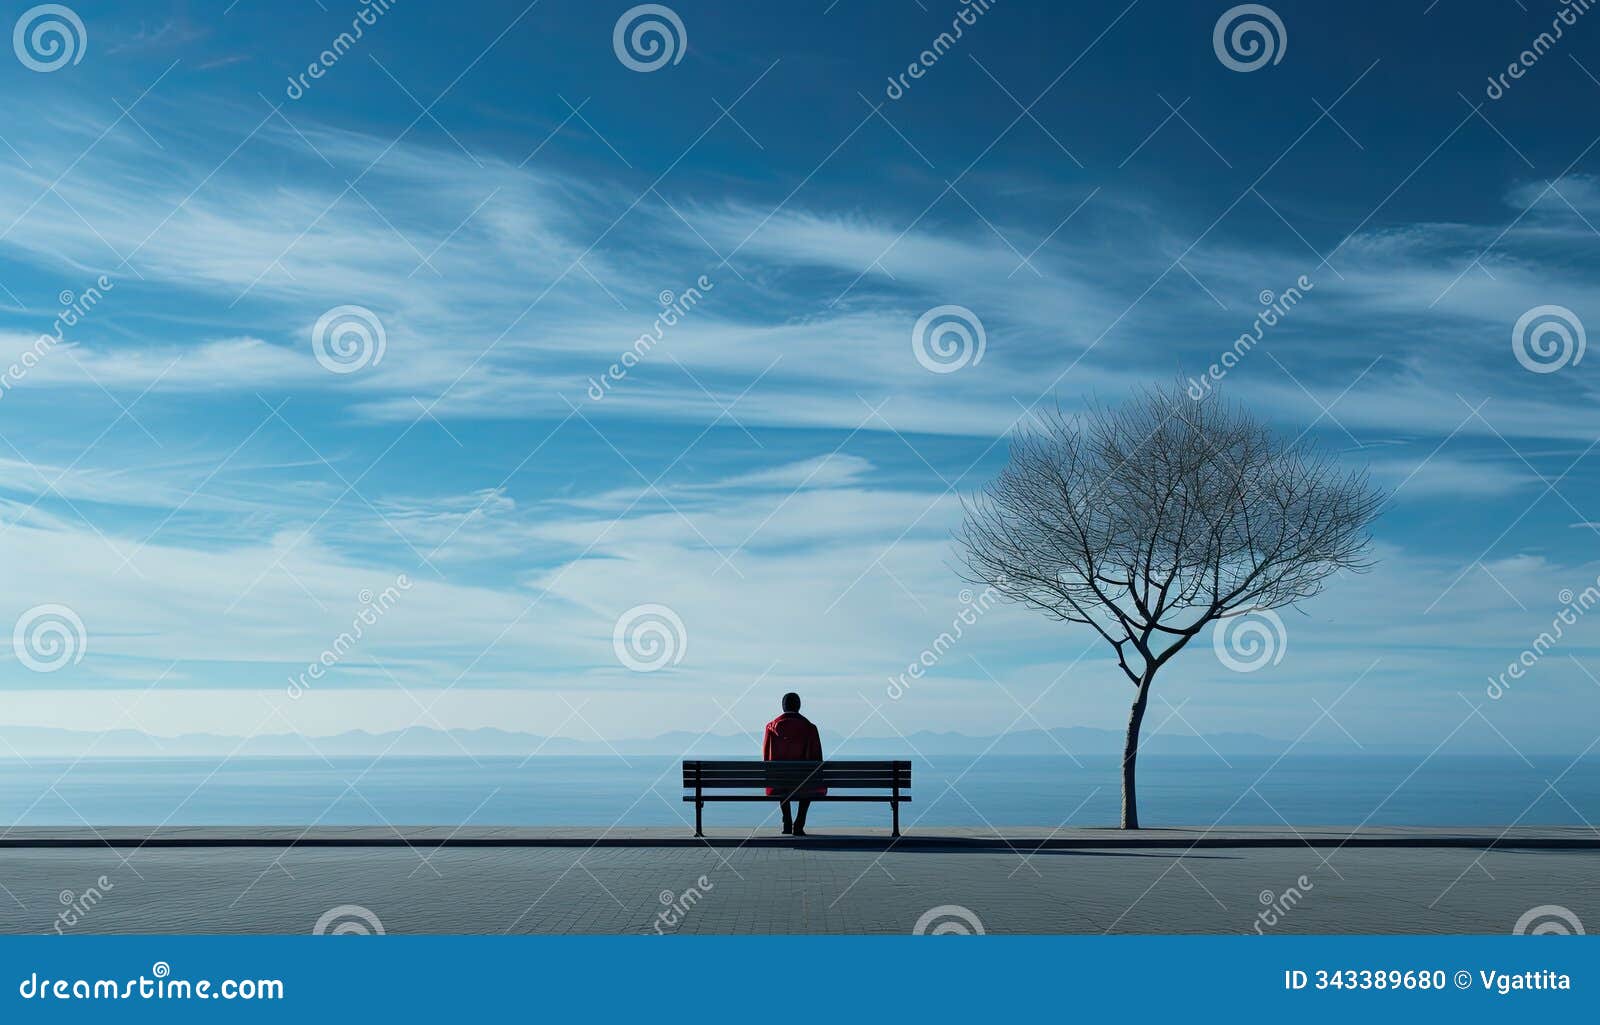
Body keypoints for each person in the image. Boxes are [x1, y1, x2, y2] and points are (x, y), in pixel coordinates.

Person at [762, 692, 825, 836]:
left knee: (780, 780)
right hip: (804, 783)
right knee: (810, 780)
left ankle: (787, 821)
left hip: (780, 782)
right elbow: (817, 759)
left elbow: (766, 757)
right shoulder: (810, 728)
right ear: (799, 706)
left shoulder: (771, 727)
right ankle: (799, 822)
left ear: (783, 707)